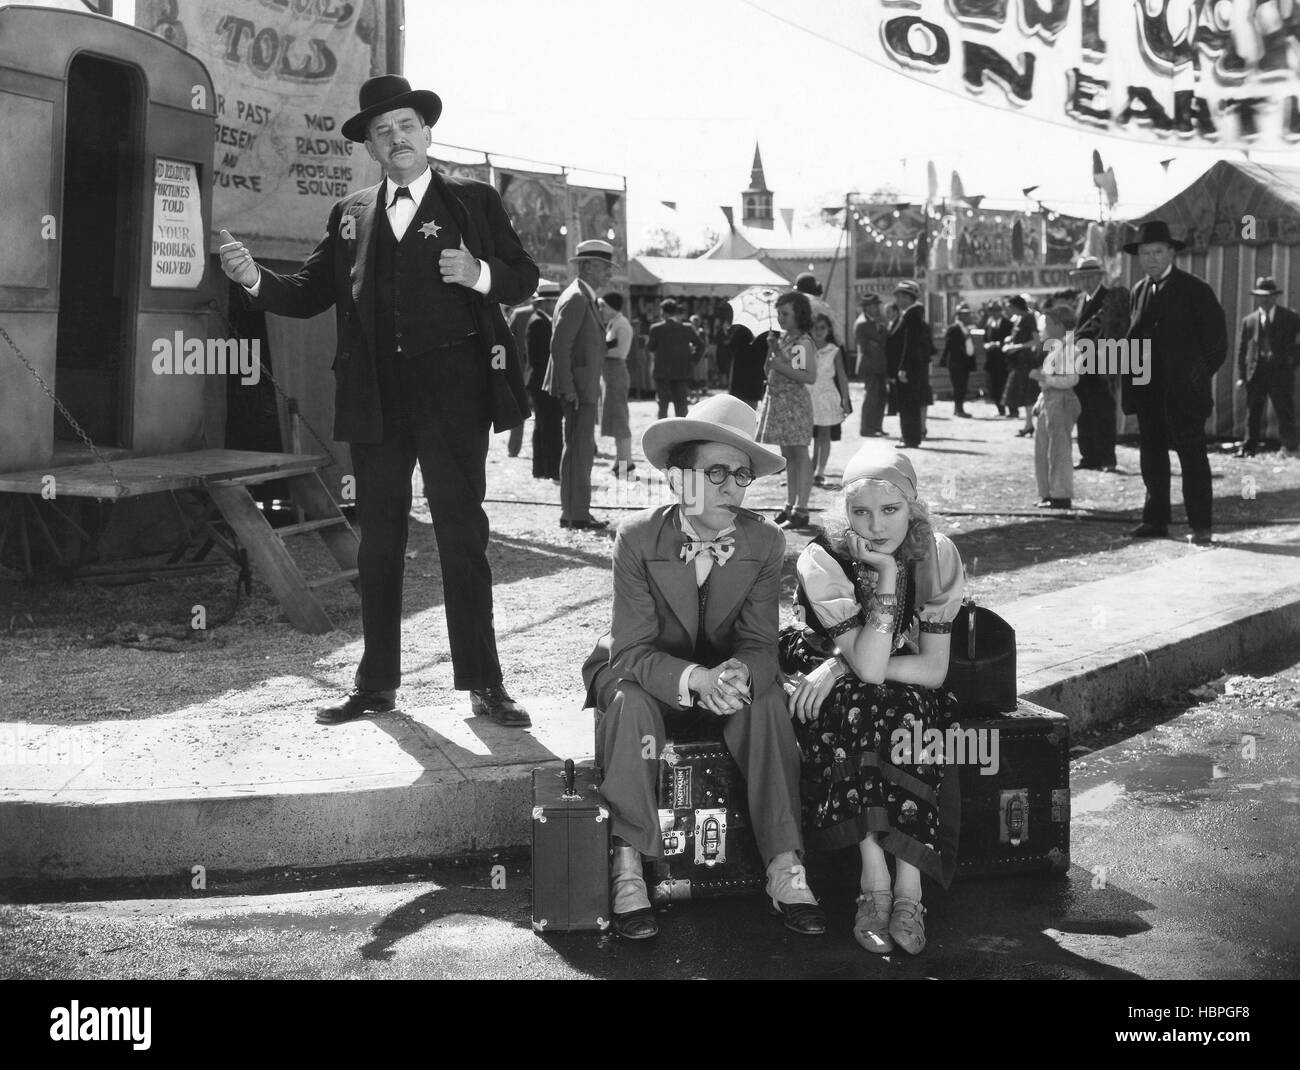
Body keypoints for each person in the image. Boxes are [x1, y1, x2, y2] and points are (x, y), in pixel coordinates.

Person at [217, 75, 537, 728]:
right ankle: (376, 686)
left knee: (461, 536)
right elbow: (309, 291)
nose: (397, 140)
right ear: (370, 145)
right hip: (375, 401)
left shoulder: (472, 200)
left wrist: (478, 274)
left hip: (453, 397)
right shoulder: (352, 214)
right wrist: (253, 278)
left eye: (406, 127)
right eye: (382, 131)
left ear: (427, 133)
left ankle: (485, 683)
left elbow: (524, 275)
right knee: (379, 542)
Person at [580, 394, 827, 940]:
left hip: (725, 676)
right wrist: (695, 680)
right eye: (715, 471)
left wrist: (735, 674)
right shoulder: (638, 537)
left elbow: (762, 644)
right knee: (629, 704)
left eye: (741, 474)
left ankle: (785, 867)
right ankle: (629, 869)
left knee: (765, 700)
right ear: (677, 479)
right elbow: (633, 649)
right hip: (643, 671)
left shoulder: (765, 541)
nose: (731, 487)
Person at [779, 443, 963, 955]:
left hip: (875, 673)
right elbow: (865, 662)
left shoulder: (937, 553)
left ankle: (909, 890)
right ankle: (875, 883)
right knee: (860, 705)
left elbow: (932, 668)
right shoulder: (823, 556)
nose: (876, 526)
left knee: (900, 708)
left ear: (913, 507)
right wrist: (883, 577)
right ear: (844, 511)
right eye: (860, 511)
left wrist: (847, 667)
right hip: (823, 667)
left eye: (890, 510)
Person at [1122, 220, 1228, 545]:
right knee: (1152, 459)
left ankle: (1201, 526)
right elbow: (1134, 341)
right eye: (1145, 253)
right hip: (1149, 394)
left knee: (1192, 460)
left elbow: (1217, 345)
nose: (1151, 259)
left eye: (1157, 252)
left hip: (1184, 397)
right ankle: (1155, 521)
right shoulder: (1139, 291)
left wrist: (1193, 380)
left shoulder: (1195, 290)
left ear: (1171, 252)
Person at [545, 239, 616, 531]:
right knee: (578, 450)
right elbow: (560, 346)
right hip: (577, 389)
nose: (608, 274)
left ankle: (575, 511)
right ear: (587, 266)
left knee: (580, 450)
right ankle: (576, 514)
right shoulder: (576, 297)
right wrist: (569, 389)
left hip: (581, 386)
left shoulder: (582, 296)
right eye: (604, 267)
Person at [756, 291, 817, 529]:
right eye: (779, 313)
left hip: (794, 404)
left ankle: (801, 508)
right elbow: (768, 369)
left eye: (786, 313)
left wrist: (778, 362)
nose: (781, 318)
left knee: (800, 455)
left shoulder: (802, 342)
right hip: (781, 403)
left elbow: (807, 376)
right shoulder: (784, 339)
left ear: (798, 315)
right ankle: (790, 504)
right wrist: (772, 350)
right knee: (789, 457)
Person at [1070, 256, 1128, 472]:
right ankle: (1089, 456)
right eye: (1081, 278)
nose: (1085, 282)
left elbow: (1114, 332)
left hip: (1102, 364)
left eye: (1088, 277)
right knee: (1082, 412)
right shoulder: (1080, 301)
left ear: (1098, 277)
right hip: (1080, 366)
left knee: (1102, 412)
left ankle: (1107, 458)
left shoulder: (1109, 298)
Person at [1236, 276, 1299, 457]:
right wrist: (1241, 376)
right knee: (1253, 412)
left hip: (1280, 374)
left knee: (1284, 410)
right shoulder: (1249, 320)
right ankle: (1249, 448)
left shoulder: (1290, 317)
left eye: (1269, 296)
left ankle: (1290, 447)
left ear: (1275, 297)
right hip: (1256, 373)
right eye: (1261, 296)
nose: (1265, 299)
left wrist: (1291, 361)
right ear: (1256, 297)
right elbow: (1242, 352)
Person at [1030, 304, 1081, 508]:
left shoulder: (1071, 350)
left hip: (1061, 401)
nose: (1045, 328)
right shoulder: (1055, 348)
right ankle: (1047, 492)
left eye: (1049, 324)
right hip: (1049, 400)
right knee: (1042, 447)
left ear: (1061, 326)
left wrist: (1044, 378)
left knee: (1059, 448)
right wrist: (1040, 399)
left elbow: (1070, 379)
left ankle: (1061, 495)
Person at [524, 281, 563, 482]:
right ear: (546, 303)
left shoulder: (539, 319)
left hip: (538, 381)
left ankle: (541, 469)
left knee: (542, 427)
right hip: (543, 382)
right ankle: (552, 469)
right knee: (551, 427)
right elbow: (541, 357)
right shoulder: (540, 322)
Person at [809, 312, 852, 486]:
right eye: (815, 327)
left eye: (822, 328)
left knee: (825, 433)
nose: (818, 331)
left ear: (828, 330)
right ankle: (809, 466)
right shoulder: (803, 347)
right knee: (808, 435)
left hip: (827, 394)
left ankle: (820, 471)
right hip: (807, 394)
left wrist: (846, 400)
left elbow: (842, 376)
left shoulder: (834, 350)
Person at [886, 281, 929, 448]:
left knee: (909, 403)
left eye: (901, 295)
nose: (898, 298)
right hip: (906, 367)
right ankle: (909, 436)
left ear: (908, 297)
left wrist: (903, 368)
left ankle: (910, 437)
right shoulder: (908, 315)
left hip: (909, 368)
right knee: (906, 403)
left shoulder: (912, 316)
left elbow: (910, 345)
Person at [598, 292, 636, 477]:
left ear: (611, 306)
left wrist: (597, 349)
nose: (601, 310)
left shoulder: (621, 324)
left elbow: (618, 351)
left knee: (619, 417)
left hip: (616, 371)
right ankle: (621, 461)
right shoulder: (615, 323)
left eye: (603, 306)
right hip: (611, 373)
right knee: (615, 417)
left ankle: (625, 462)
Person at [647, 299, 704, 418]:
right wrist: (692, 361)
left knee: (663, 406)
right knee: (682, 407)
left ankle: (661, 433)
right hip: (681, 371)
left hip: (662, 372)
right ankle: (683, 435)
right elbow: (701, 345)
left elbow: (650, 348)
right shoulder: (686, 328)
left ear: (663, 312)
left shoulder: (656, 328)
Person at [1000, 294, 1039, 434]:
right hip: (1017, 361)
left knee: (1028, 392)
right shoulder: (1018, 319)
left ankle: (1029, 424)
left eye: (1010, 307)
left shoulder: (1028, 318)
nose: (1009, 310)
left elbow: (1035, 341)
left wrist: (1016, 347)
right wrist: (1010, 340)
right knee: (1022, 393)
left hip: (1026, 361)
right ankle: (1028, 423)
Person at [854, 294, 888, 436]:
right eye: (874, 305)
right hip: (870, 365)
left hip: (878, 364)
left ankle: (876, 426)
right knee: (872, 396)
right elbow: (870, 345)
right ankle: (867, 428)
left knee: (881, 396)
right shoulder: (863, 323)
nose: (877, 308)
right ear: (867, 307)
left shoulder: (873, 321)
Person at [505, 298, 534, 457]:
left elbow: (506, 340)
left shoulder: (519, 313)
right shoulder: (554, 311)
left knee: (519, 409)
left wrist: (502, 367)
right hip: (543, 369)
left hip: (520, 369)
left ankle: (514, 448)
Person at [940, 302, 975, 418]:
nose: (967, 316)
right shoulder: (953, 328)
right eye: (964, 314)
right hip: (956, 363)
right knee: (958, 386)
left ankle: (959, 408)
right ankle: (958, 408)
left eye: (968, 314)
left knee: (963, 386)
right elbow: (951, 345)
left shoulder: (966, 328)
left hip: (964, 363)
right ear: (959, 315)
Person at [982, 300, 1012, 415]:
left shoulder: (1007, 323)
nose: (995, 313)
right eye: (992, 310)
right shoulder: (989, 324)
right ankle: (1000, 409)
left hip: (1004, 360)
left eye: (997, 310)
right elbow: (985, 339)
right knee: (994, 386)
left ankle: (1012, 409)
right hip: (992, 360)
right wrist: (987, 345)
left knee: (1006, 384)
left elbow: (1011, 339)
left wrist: (998, 344)